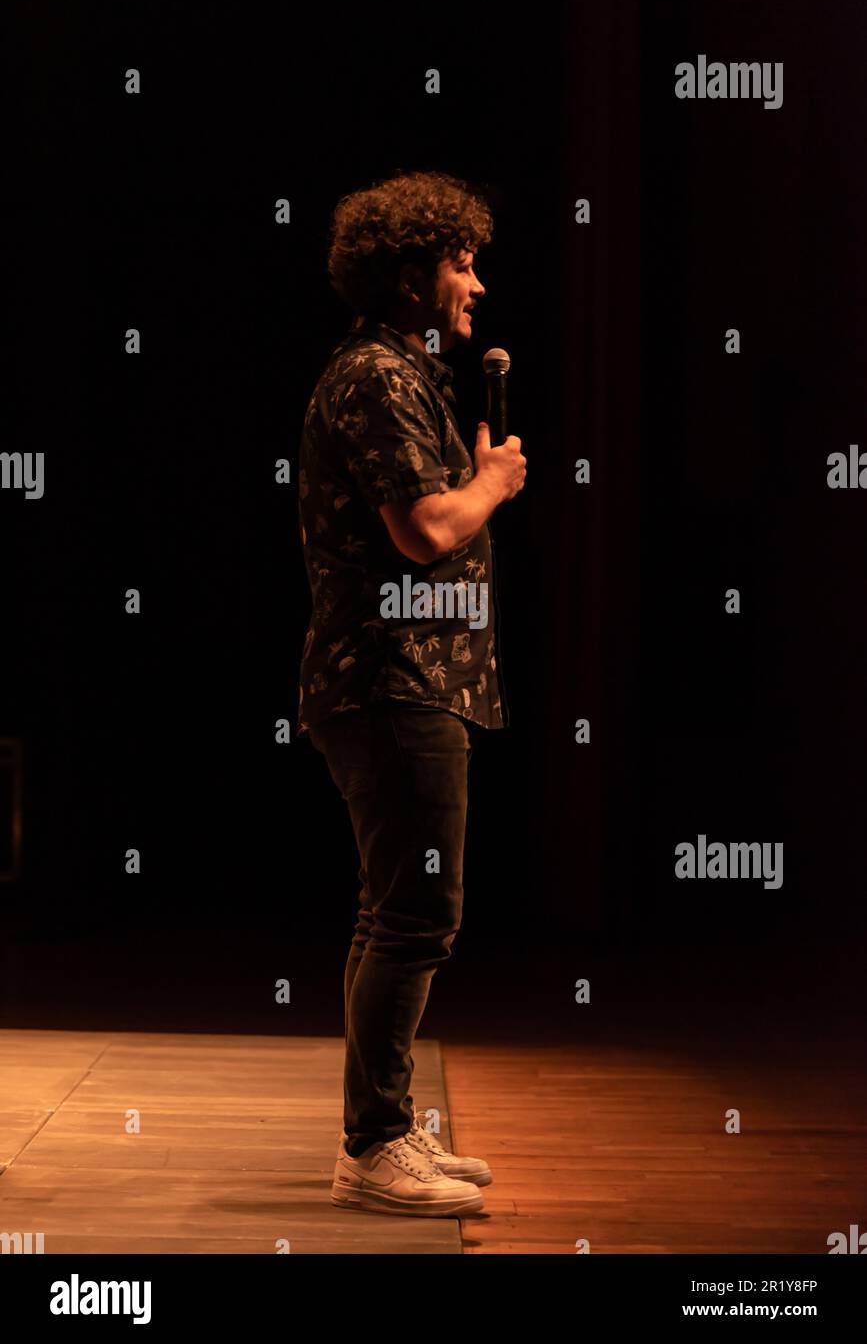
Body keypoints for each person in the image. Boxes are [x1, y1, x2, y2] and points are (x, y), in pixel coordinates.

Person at [297, 170, 527, 1217]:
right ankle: (373, 1143)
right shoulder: (379, 377)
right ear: (410, 272)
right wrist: (492, 484)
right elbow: (425, 530)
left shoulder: (402, 372)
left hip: (412, 678)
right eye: (459, 261)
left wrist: (473, 481)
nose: (475, 282)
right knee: (417, 915)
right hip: (392, 679)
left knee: (393, 911)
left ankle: (382, 1128)